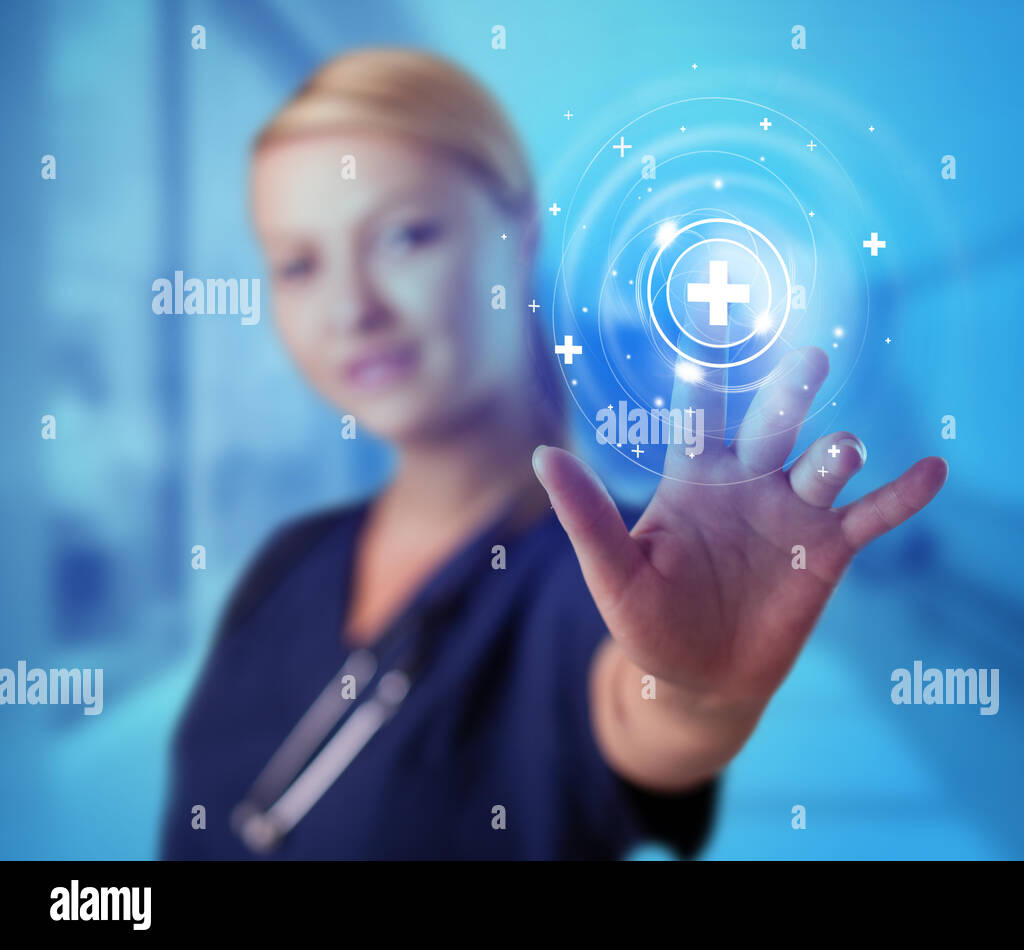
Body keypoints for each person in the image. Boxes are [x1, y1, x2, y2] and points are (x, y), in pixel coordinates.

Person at [160, 48, 947, 860]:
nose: (349, 308)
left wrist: (696, 694)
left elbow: (642, 705)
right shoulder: (288, 565)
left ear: (518, 234)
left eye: (403, 237)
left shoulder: (617, 574)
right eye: (298, 265)